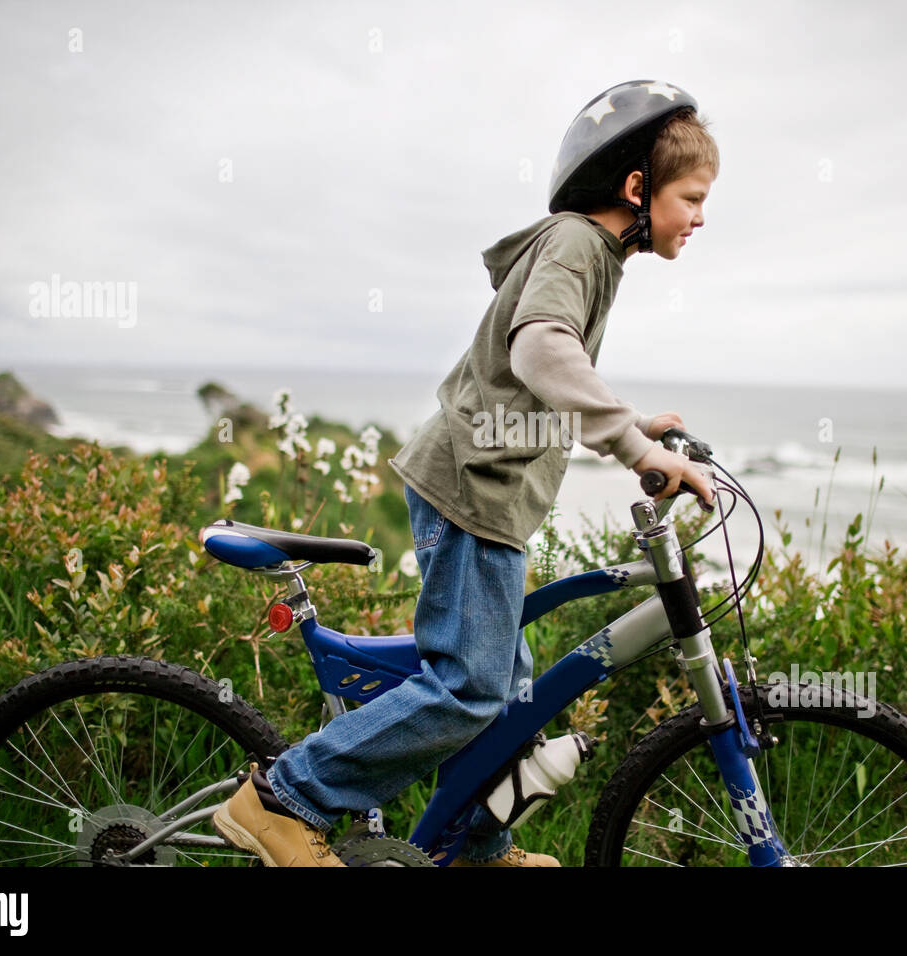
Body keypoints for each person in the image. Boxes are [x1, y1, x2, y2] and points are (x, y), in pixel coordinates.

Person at [212, 79, 720, 867]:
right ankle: (283, 798)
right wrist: (634, 446)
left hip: (493, 497)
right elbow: (541, 350)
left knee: (506, 699)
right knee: (469, 688)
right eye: (691, 196)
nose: (699, 216)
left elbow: (544, 383)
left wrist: (636, 420)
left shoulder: (593, 255)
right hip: (470, 492)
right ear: (636, 187)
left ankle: (475, 849)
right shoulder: (578, 244)